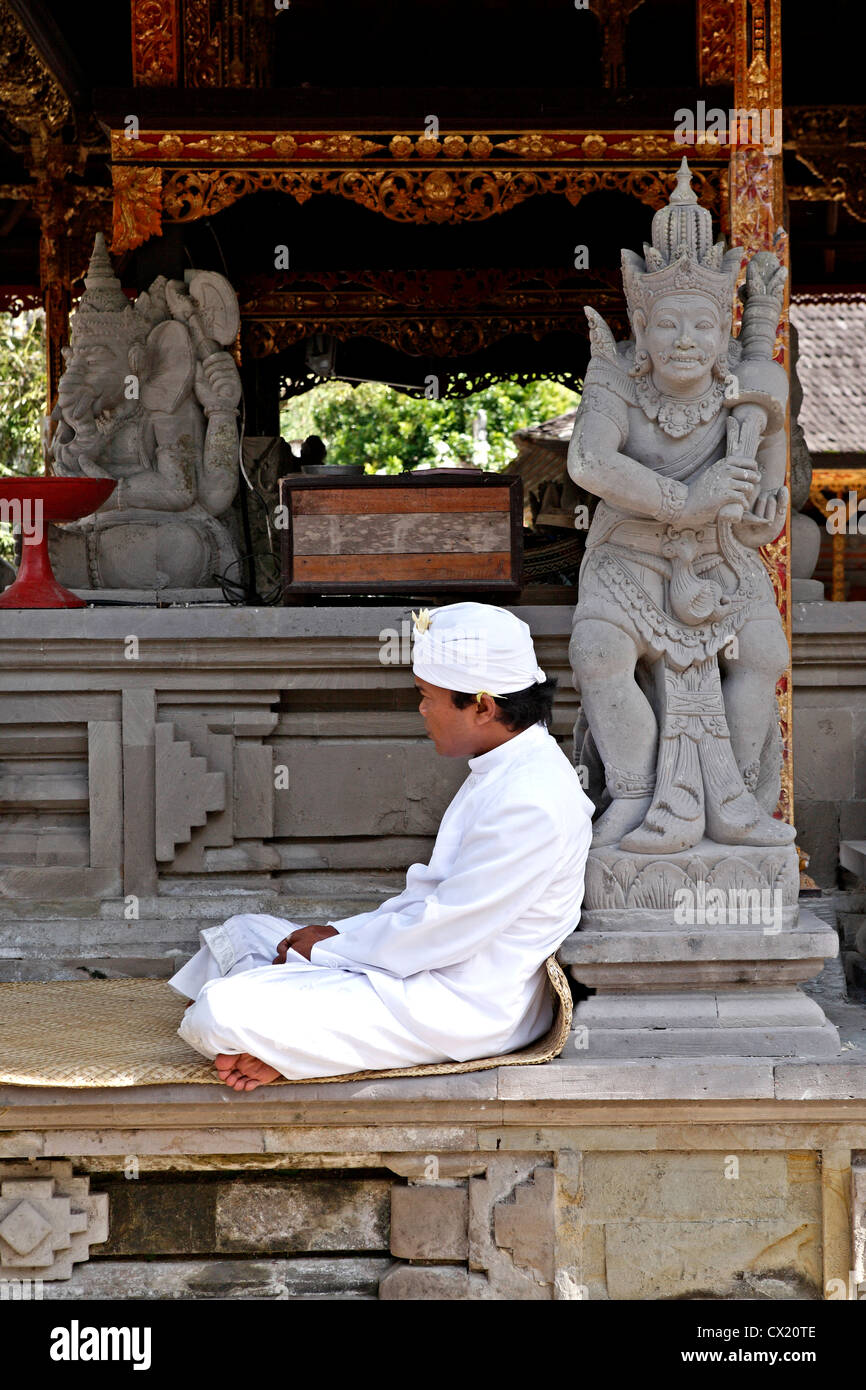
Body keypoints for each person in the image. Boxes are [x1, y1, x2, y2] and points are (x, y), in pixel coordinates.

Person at [170, 602, 594, 1090]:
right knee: (246, 931)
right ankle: (285, 1041)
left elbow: (445, 930)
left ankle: (279, 1042)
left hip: (459, 1006)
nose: (421, 710)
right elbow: (426, 902)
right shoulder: (502, 766)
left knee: (227, 1008)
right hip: (422, 969)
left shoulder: (532, 800)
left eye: (426, 696)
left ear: (482, 706)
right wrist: (335, 937)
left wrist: (332, 949)